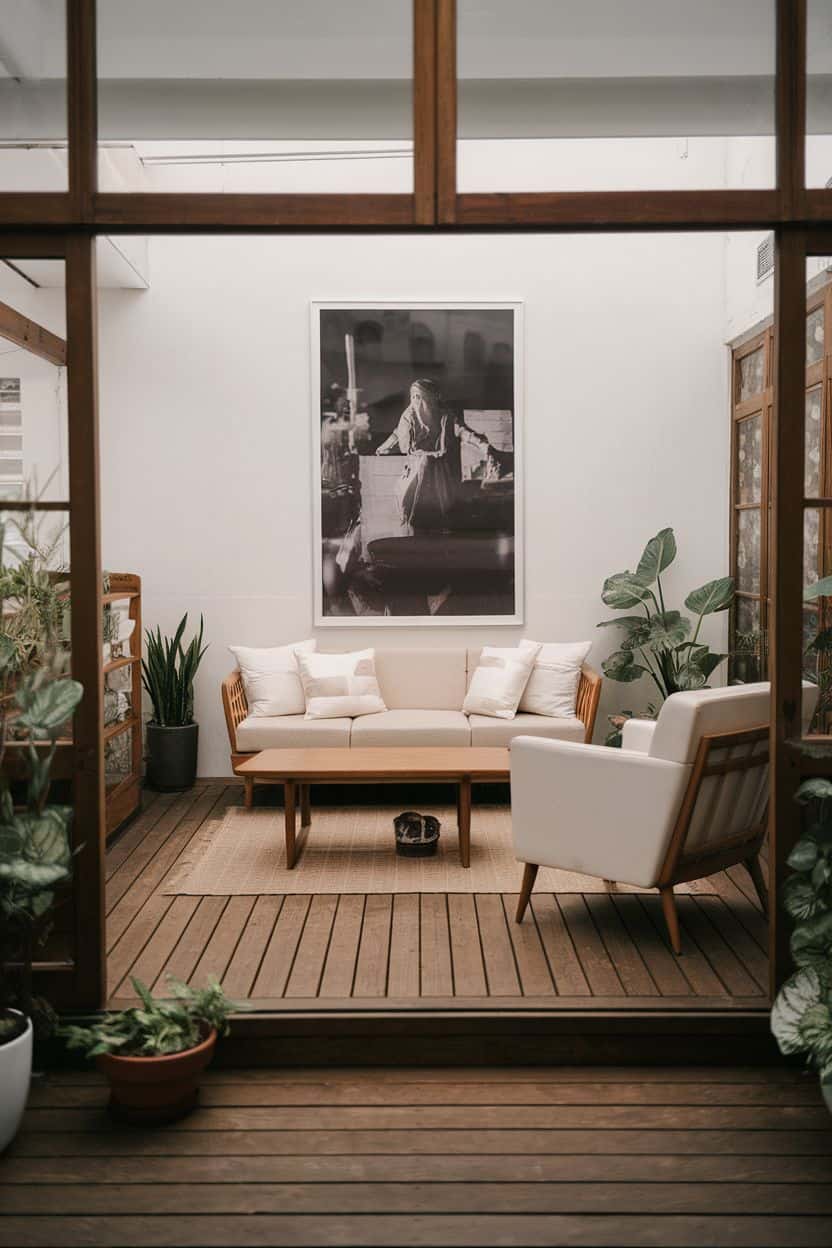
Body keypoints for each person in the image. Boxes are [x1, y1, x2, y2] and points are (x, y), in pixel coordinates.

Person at [375, 378, 490, 533]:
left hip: (441, 470)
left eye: (419, 397)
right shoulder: (409, 416)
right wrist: (383, 448)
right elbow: (398, 434)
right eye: (413, 397)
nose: (416, 401)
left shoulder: (445, 417)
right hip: (414, 468)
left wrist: (483, 445)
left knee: (441, 504)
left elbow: (464, 431)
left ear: (429, 398)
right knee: (408, 498)